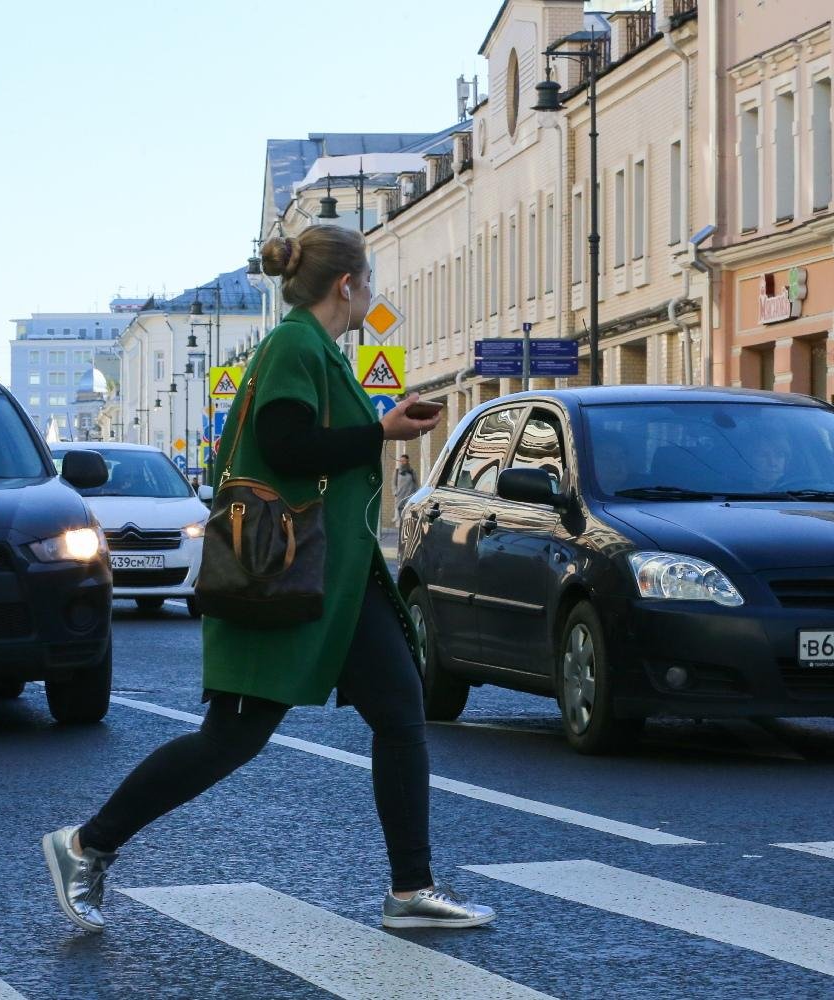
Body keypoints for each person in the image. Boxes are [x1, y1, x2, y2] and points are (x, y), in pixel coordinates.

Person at [42, 225, 496, 934]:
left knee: (402, 715)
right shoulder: (294, 344)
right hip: (286, 577)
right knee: (230, 739)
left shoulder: (315, 350)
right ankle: (86, 844)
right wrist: (383, 432)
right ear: (345, 286)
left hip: (339, 578)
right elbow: (286, 446)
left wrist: (381, 425)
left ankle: (411, 887)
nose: (371, 294)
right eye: (367, 281)